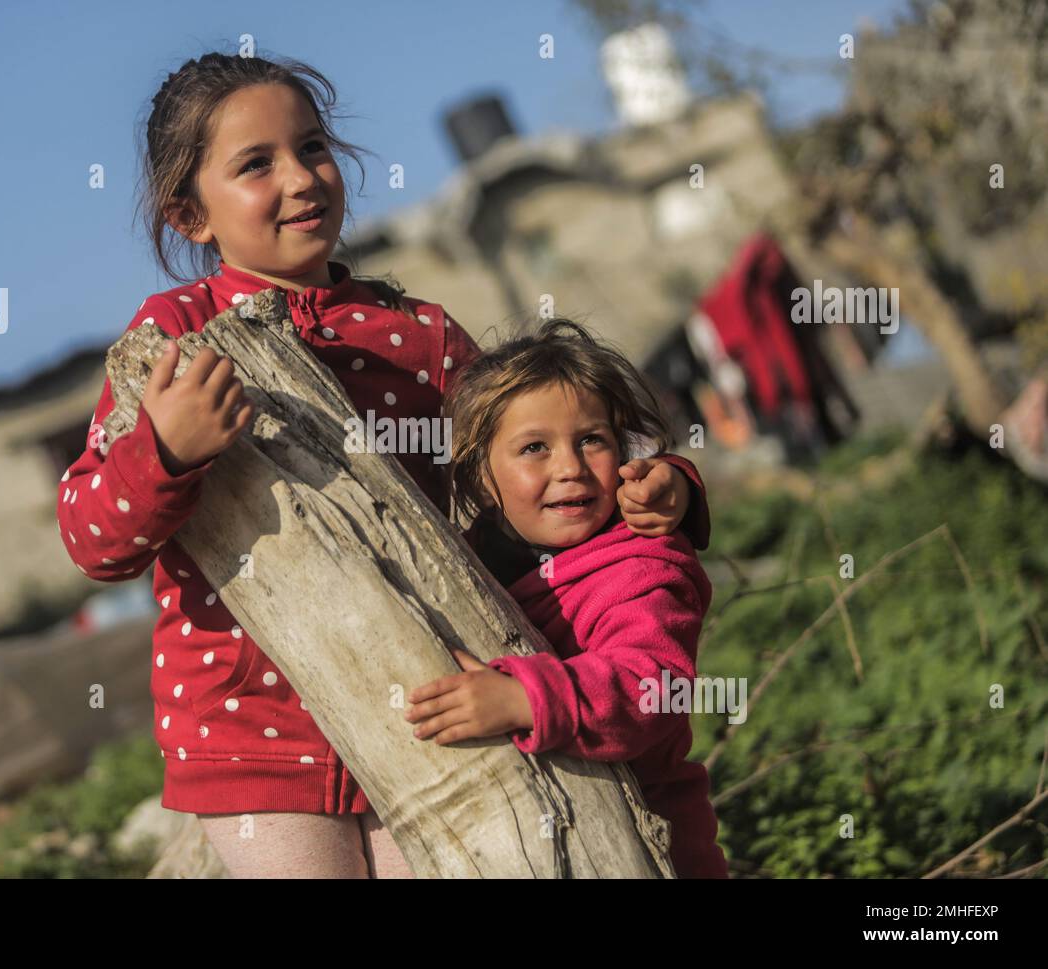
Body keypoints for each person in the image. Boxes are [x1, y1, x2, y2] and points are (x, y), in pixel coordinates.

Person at [56, 51, 711, 878]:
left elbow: (545, 449)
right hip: (250, 730)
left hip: (416, 693)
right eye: (256, 164)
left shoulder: (418, 337)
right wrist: (166, 450)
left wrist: (664, 483)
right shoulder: (171, 346)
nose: (301, 178)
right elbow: (93, 538)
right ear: (191, 214)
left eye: (313, 147)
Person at [406, 318, 729, 878]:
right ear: (481, 474)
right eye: (534, 447)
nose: (570, 468)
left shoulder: (642, 565)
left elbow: (651, 686)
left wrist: (529, 701)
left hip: (650, 847)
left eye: (591, 440)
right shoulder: (463, 564)